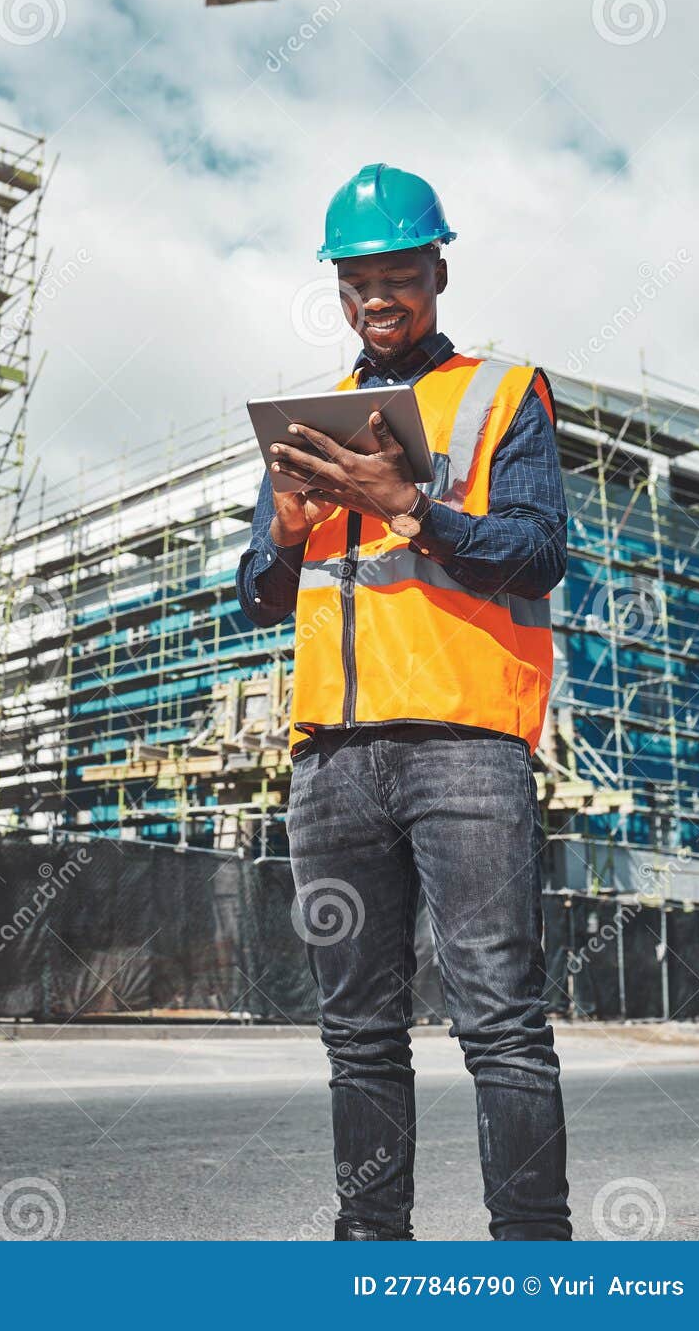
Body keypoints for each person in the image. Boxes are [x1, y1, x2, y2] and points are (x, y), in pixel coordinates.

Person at [236, 163, 571, 1242]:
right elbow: (258, 596)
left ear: (437, 271)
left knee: (500, 1019)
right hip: (331, 761)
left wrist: (410, 506)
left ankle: (535, 1265)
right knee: (357, 1032)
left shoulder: (502, 393)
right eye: (355, 279)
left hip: (463, 746)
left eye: (397, 274)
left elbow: (539, 554)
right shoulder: (310, 420)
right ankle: (370, 1254)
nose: (375, 297)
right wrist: (285, 531)